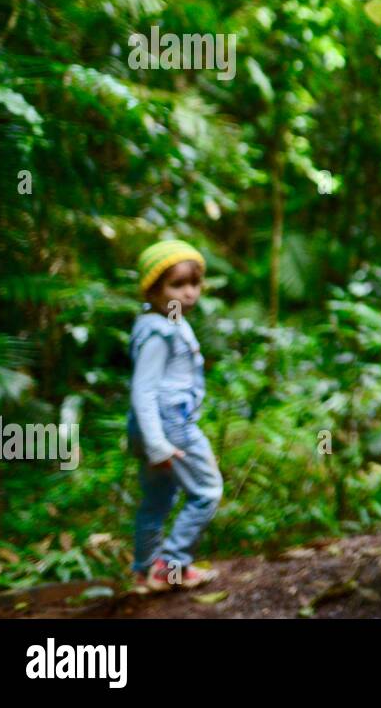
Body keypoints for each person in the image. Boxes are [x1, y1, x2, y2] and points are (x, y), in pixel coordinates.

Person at [127, 239, 223, 590]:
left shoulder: (167, 322)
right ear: (153, 289)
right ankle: (170, 565)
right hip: (169, 427)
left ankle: (145, 571)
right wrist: (157, 445)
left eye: (194, 284)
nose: (189, 293)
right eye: (177, 285)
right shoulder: (159, 332)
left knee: (157, 499)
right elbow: (144, 390)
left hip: (157, 427)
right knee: (207, 491)